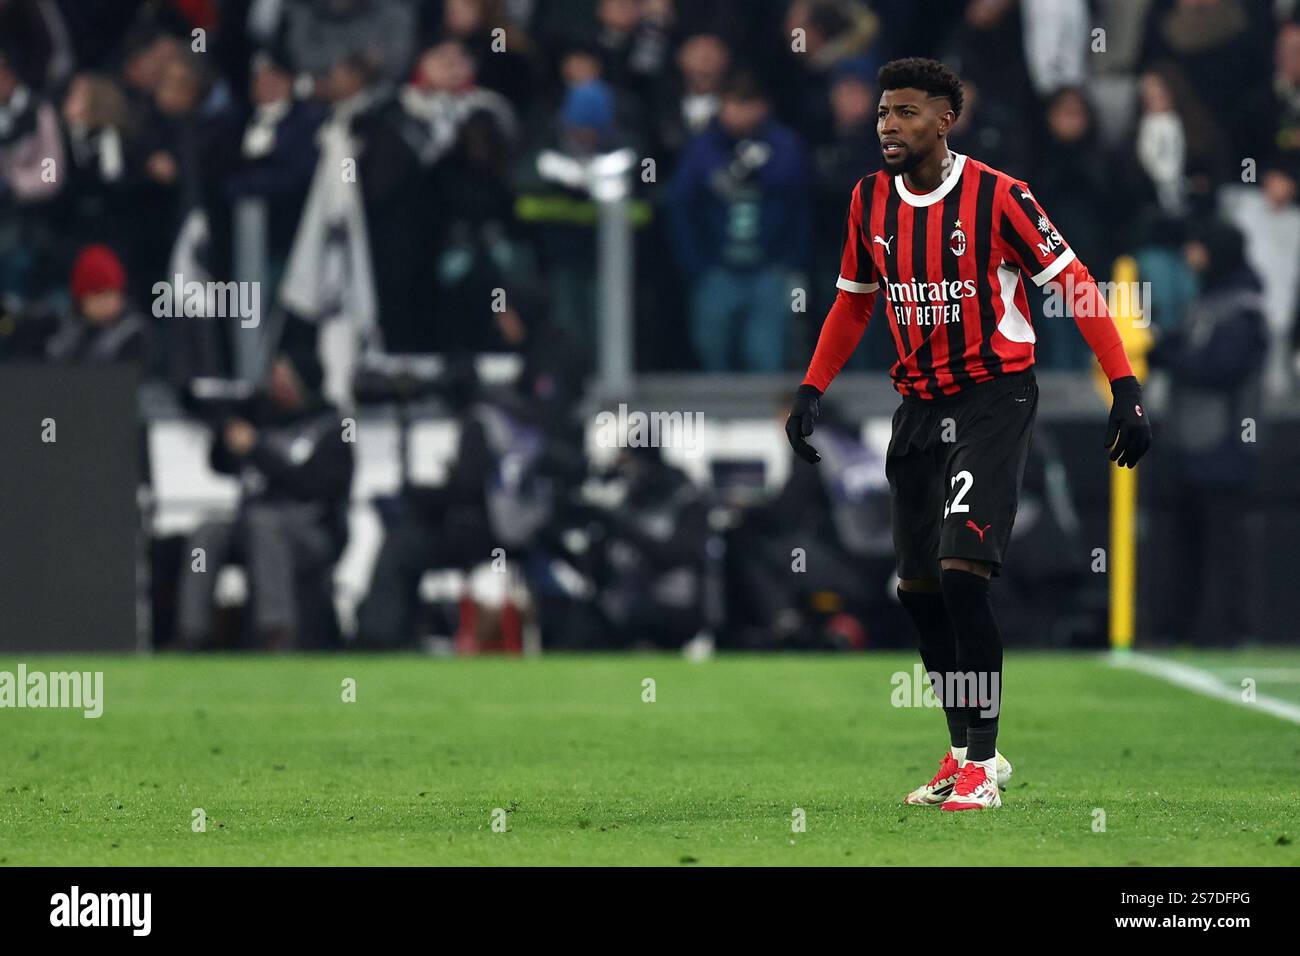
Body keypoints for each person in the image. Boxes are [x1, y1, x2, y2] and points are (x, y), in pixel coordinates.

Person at [785, 58, 1151, 811]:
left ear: (946, 120)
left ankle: (984, 764)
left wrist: (1125, 388)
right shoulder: (868, 201)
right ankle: (961, 752)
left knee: (960, 576)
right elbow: (854, 304)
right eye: (884, 112)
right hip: (918, 409)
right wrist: (811, 387)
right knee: (918, 592)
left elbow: (1076, 283)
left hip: (993, 399)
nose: (889, 125)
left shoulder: (1000, 196)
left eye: (908, 112)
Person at [178, 347, 354, 650]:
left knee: (264, 524)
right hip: (252, 523)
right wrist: (225, 431)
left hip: (312, 530)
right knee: (208, 531)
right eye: (275, 376)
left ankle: (275, 632)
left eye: (287, 377)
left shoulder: (334, 428)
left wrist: (257, 448)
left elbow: (314, 485)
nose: (279, 384)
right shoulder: (260, 414)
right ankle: (192, 631)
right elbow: (221, 465)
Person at [1147, 221, 1266, 647]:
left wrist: (1167, 354)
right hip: (1190, 444)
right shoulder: (1208, 300)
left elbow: (1219, 367)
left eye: (1199, 247)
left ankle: (1228, 630)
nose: (1191, 257)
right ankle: (1180, 628)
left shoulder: (1244, 309)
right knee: (1184, 542)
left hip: (1225, 445)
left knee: (1225, 545)